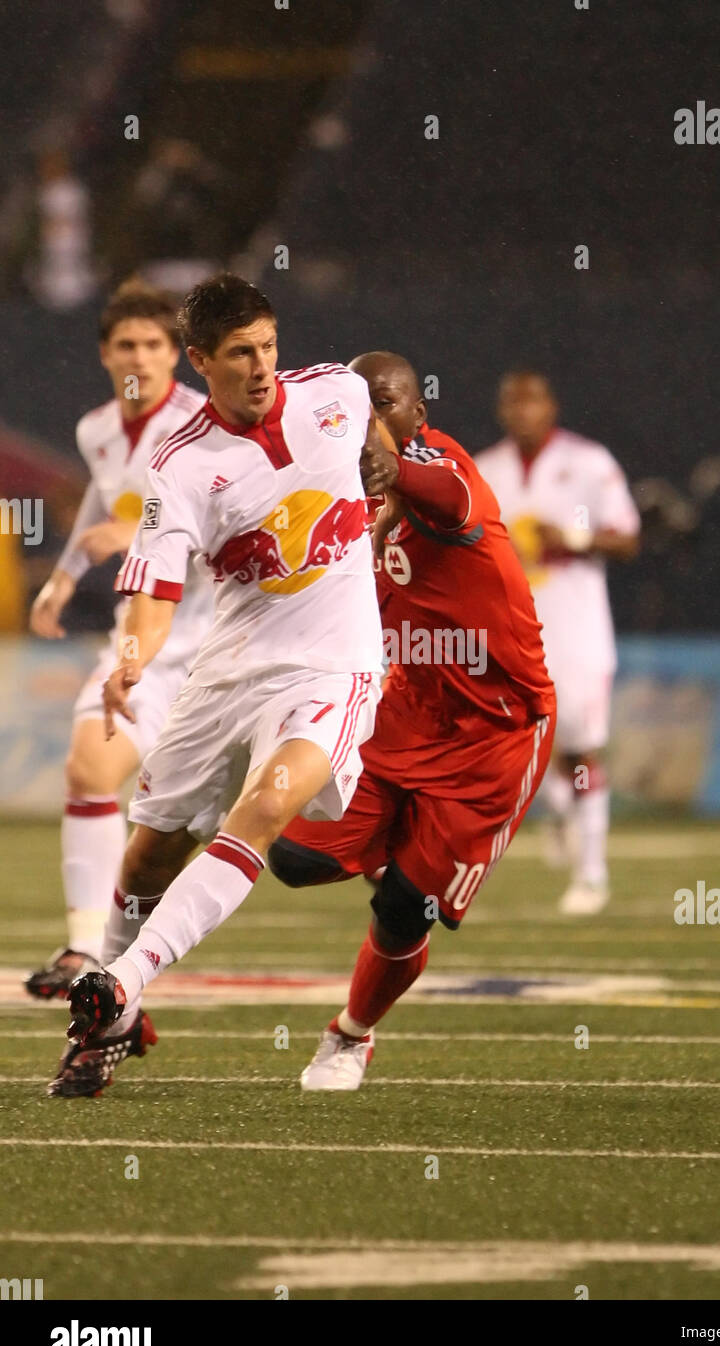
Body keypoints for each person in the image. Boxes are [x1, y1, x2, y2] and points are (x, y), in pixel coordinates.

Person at [49, 272, 383, 1098]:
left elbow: (387, 429)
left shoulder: (337, 394)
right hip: (226, 670)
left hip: (330, 667)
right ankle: (115, 1024)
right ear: (201, 361)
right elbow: (158, 594)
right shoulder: (182, 467)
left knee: (266, 809)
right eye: (240, 354)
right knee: (150, 853)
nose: (262, 366)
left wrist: (397, 489)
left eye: (269, 345)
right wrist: (132, 657)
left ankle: (119, 987)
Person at [268, 352, 556, 1091]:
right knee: (294, 861)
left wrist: (390, 467)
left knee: (406, 907)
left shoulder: (444, 465)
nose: (367, 419)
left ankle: (349, 1036)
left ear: (416, 415)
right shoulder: (344, 500)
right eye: (352, 406)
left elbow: (446, 493)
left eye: (383, 404)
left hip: (493, 730)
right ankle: (395, 843)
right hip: (402, 715)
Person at [26, 280, 209, 998]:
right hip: (142, 634)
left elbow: (220, 522)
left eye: (154, 344)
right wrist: (64, 577)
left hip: (218, 638)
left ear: (176, 356)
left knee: (270, 826)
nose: (140, 355)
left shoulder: (203, 426)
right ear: (106, 353)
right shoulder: (97, 428)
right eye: (126, 343)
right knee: (89, 772)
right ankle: (84, 952)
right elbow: (105, 504)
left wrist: (131, 533)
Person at [476, 371, 640, 915]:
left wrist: (569, 536)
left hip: (577, 628)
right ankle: (559, 811)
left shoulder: (590, 462)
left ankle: (592, 874)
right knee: (527, 745)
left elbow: (627, 538)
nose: (523, 411)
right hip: (511, 628)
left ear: (551, 405)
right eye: (513, 402)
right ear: (502, 411)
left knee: (582, 746)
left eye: (533, 401)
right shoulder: (485, 469)